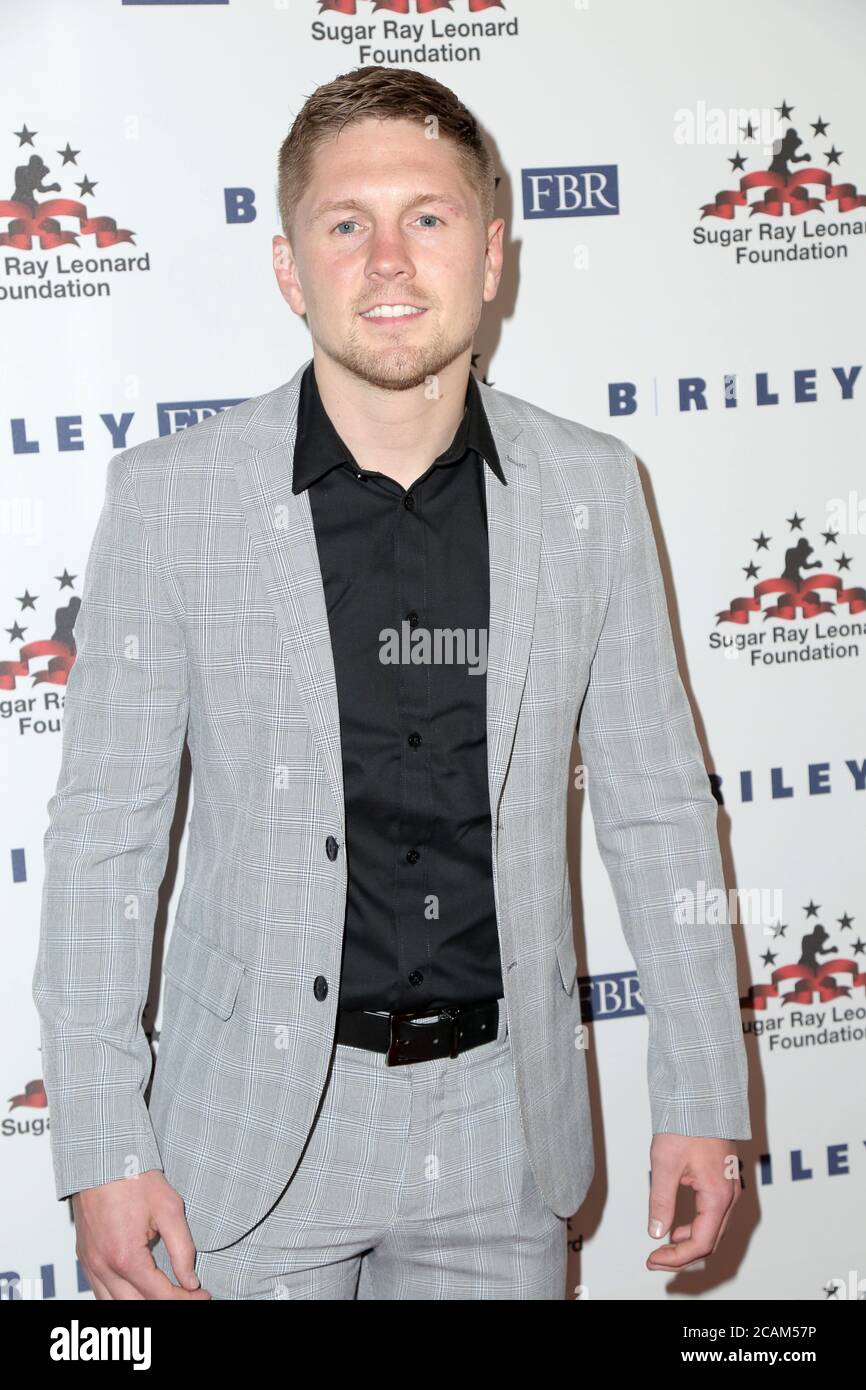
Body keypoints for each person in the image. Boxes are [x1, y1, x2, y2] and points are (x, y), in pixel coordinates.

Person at [32, 65, 750, 1301]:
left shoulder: (591, 491)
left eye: (427, 217)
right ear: (286, 266)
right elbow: (104, 843)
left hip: (503, 1139)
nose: (387, 260)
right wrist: (101, 1141)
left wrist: (700, 1091)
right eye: (344, 223)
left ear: (490, 255)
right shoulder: (170, 500)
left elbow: (658, 813)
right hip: (243, 1138)